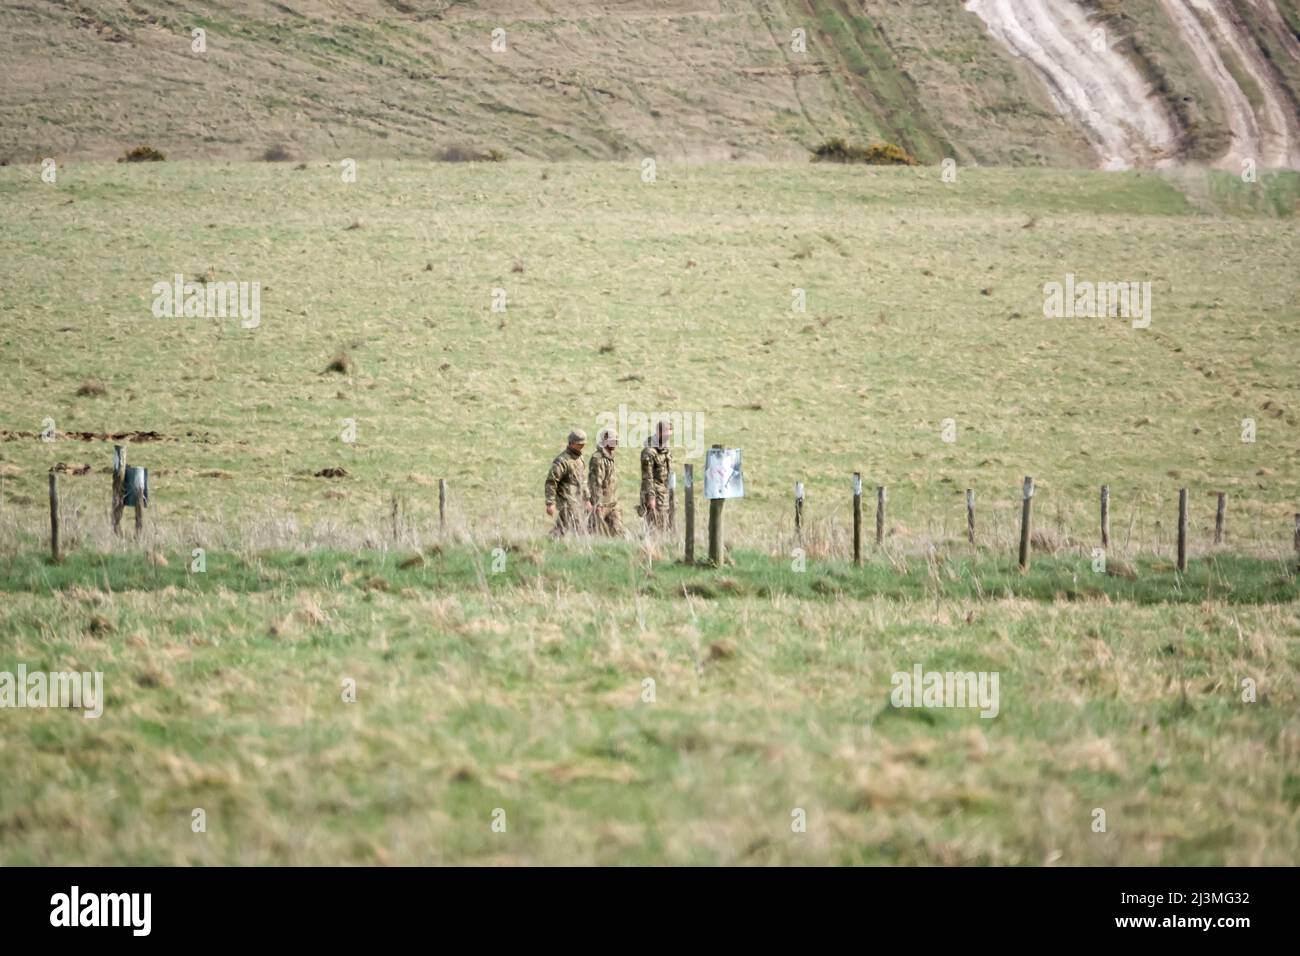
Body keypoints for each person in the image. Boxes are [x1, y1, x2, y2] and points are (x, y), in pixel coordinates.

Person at [545, 429, 591, 536]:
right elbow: (551, 482)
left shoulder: (580, 459)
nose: (582, 446)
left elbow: (582, 481)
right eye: (579, 444)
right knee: (580, 529)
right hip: (567, 501)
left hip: (578, 501)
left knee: (562, 528)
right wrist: (550, 503)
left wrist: (587, 499)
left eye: (583, 444)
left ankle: (550, 542)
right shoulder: (562, 461)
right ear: (571, 443)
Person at [638, 419, 673, 531]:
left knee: (667, 525)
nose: (669, 435)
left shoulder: (665, 450)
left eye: (670, 432)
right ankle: (650, 547)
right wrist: (651, 498)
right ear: (659, 432)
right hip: (654, 493)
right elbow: (647, 477)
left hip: (665, 493)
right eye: (667, 432)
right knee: (655, 526)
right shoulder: (649, 452)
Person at [588, 427, 623, 536]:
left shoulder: (610, 457)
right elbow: (595, 483)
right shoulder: (598, 459)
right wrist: (598, 504)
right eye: (613, 440)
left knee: (619, 533)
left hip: (612, 503)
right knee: (597, 533)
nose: (616, 443)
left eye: (617, 441)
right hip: (601, 505)